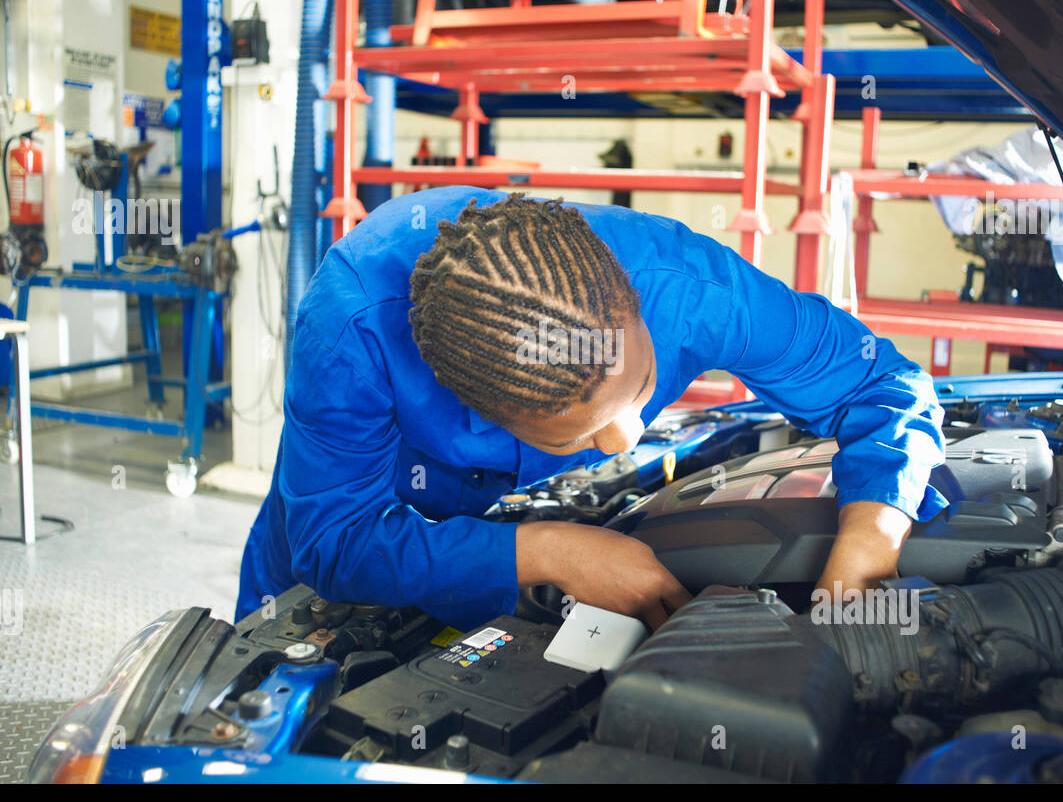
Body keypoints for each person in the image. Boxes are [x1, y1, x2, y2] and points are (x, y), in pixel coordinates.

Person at [236, 187, 947, 631]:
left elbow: (879, 383)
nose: (623, 440)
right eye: (577, 432)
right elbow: (335, 539)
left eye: (640, 386)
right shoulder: (352, 327)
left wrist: (872, 539)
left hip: (499, 518)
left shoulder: (691, 288)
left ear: (634, 307)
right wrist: (546, 549)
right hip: (357, 529)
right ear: (468, 403)